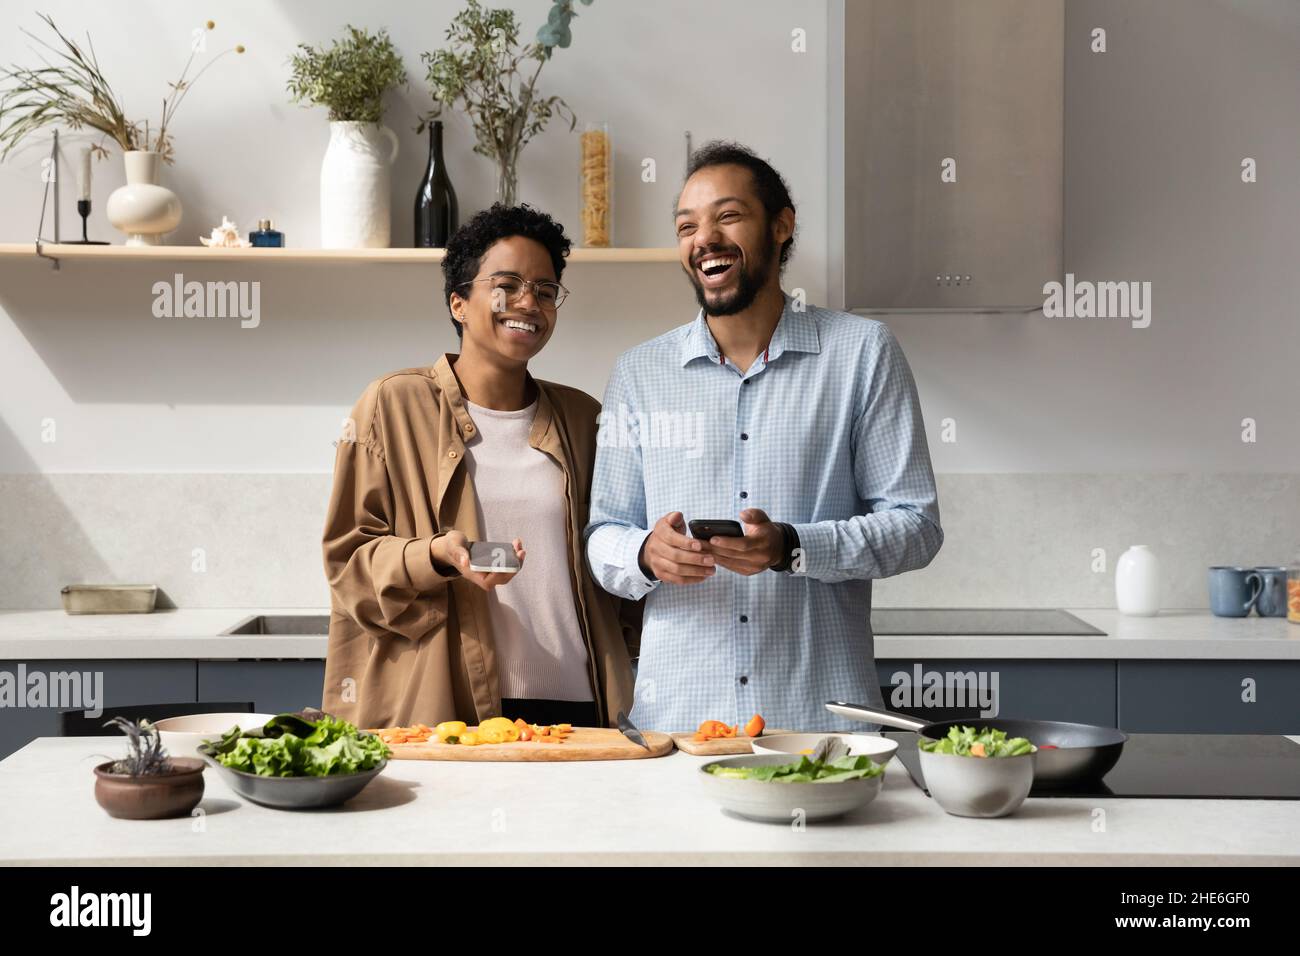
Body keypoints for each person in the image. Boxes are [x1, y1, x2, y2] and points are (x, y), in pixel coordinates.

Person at [585, 141, 943, 732]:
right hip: (680, 725)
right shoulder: (639, 373)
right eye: (687, 225)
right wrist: (645, 554)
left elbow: (916, 526)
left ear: (781, 226)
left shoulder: (861, 354)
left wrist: (792, 546)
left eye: (727, 216)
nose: (705, 238)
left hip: (819, 726)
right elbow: (604, 534)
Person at [322, 203, 636, 731]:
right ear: (459, 302)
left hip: (579, 707)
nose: (527, 302)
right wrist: (435, 556)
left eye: (543, 289)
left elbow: (613, 555)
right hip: (451, 706)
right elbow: (348, 565)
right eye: (507, 284)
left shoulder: (584, 418)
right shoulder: (391, 405)